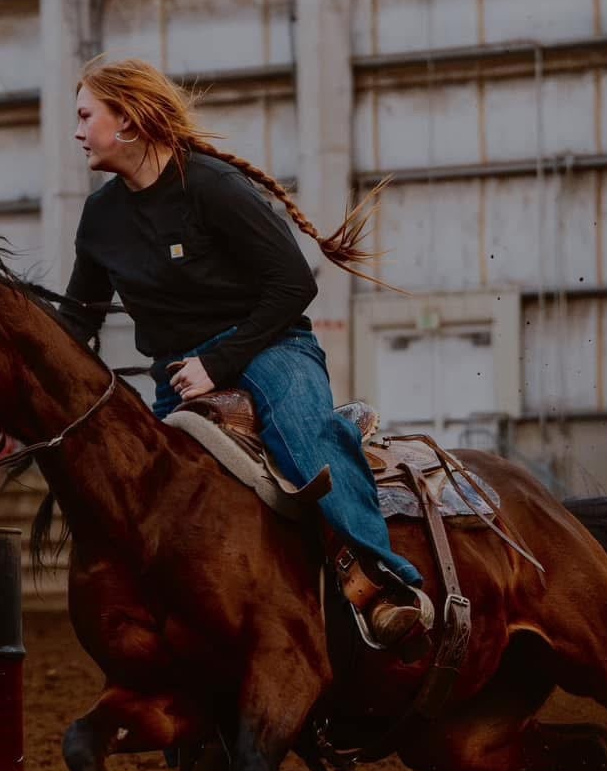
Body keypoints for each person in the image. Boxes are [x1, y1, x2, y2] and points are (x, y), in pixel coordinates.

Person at [58, 56, 433, 651]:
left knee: (307, 447)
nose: (76, 131)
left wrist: (218, 363)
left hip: (270, 348)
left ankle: (387, 585)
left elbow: (294, 286)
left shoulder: (211, 186)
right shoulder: (100, 218)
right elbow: (76, 322)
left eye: (85, 116)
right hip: (177, 377)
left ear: (126, 120)